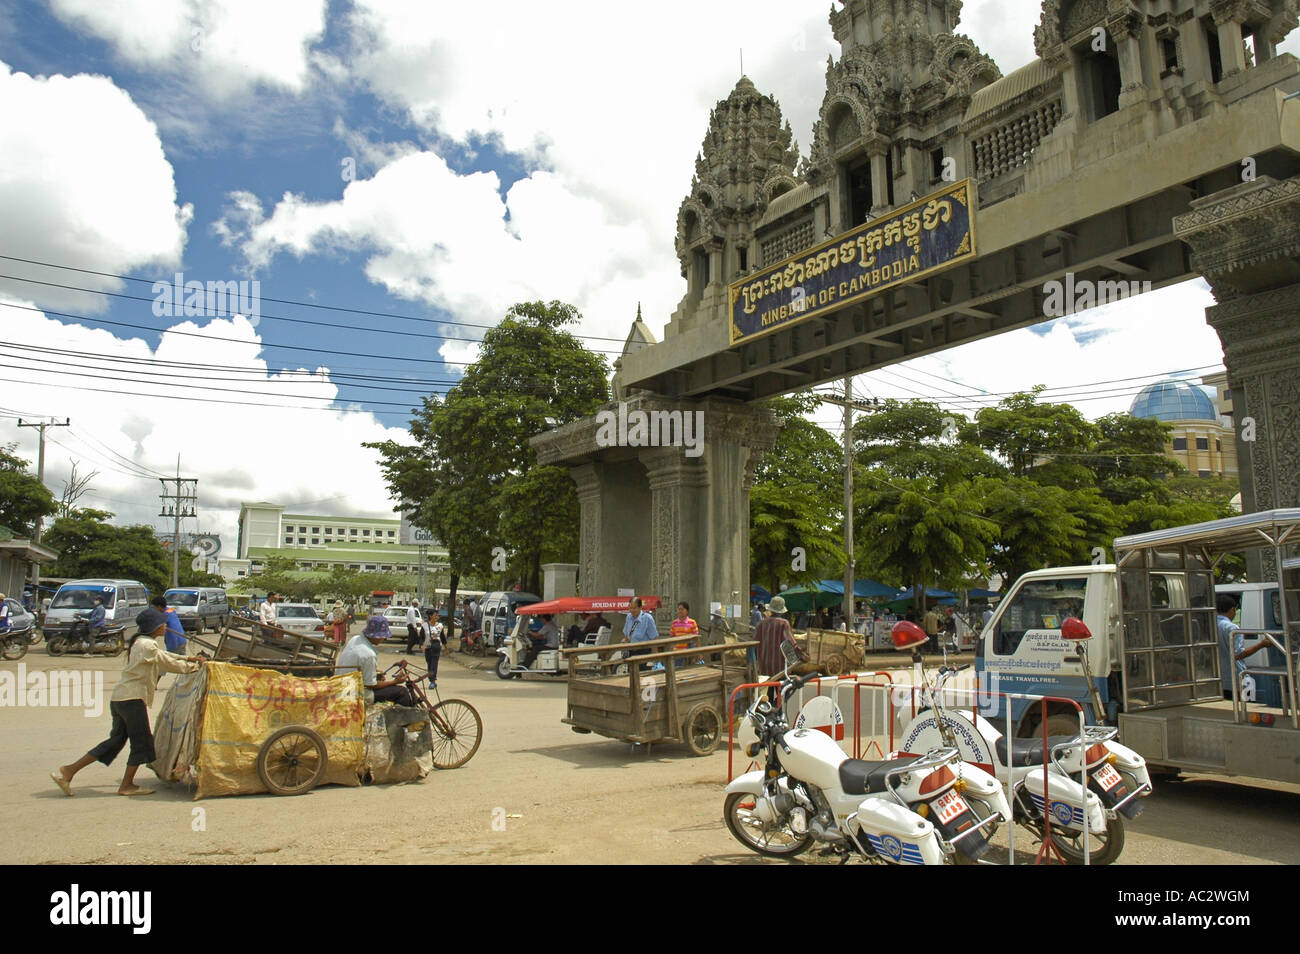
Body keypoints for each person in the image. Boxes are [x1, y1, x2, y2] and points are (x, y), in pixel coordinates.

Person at [52, 607, 204, 797]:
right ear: (155, 627)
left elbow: (166, 655)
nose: (166, 626)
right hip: (131, 699)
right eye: (162, 623)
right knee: (142, 742)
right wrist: (194, 667)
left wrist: (189, 658)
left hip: (121, 698)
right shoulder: (146, 646)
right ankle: (126, 785)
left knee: (116, 741)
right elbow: (166, 662)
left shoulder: (142, 643)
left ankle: (69, 771)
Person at [336, 612, 415, 706]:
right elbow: (371, 685)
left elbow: (359, 665)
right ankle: (400, 720)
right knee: (402, 692)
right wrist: (394, 681)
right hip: (356, 693)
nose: (384, 638)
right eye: (383, 636)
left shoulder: (355, 639)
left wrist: (375, 672)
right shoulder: (369, 655)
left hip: (343, 685)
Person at [1216, 593, 1269, 700]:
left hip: (1220, 680)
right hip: (1237, 679)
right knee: (1248, 707)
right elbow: (1238, 654)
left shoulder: (1211, 624)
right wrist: (1261, 645)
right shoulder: (1232, 627)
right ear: (1232, 609)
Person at [755, 595, 803, 682]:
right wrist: (800, 654)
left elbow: (755, 642)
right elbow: (791, 643)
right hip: (780, 667)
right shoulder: (784, 623)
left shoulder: (762, 623)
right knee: (781, 692)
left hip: (764, 666)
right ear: (781, 612)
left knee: (767, 693)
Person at [623, 598, 659, 668]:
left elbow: (654, 638)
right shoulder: (628, 617)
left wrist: (655, 657)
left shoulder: (647, 618)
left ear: (640, 608)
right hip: (631, 651)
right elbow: (626, 635)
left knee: (642, 675)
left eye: (634, 608)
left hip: (644, 652)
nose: (632, 610)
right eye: (630, 608)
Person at [669, 601, 699, 666]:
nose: (680, 611)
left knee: (689, 670)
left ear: (687, 611)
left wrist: (699, 652)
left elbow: (696, 639)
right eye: (679, 609)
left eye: (682, 609)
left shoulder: (692, 622)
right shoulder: (674, 623)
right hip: (677, 651)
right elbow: (671, 637)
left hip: (689, 652)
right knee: (677, 670)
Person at [418, 611, 440, 689]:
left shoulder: (440, 626)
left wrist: (446, 648)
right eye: (435, 615)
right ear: (430, 616)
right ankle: (432, 679)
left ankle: (433, 681)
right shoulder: (424, 626)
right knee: (429, 665)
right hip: (428, 648)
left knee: (434, 664)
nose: (437, 616)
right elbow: (421, 637)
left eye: (438, 615)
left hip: (436, 648)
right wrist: (421, 646)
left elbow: (443, 638)